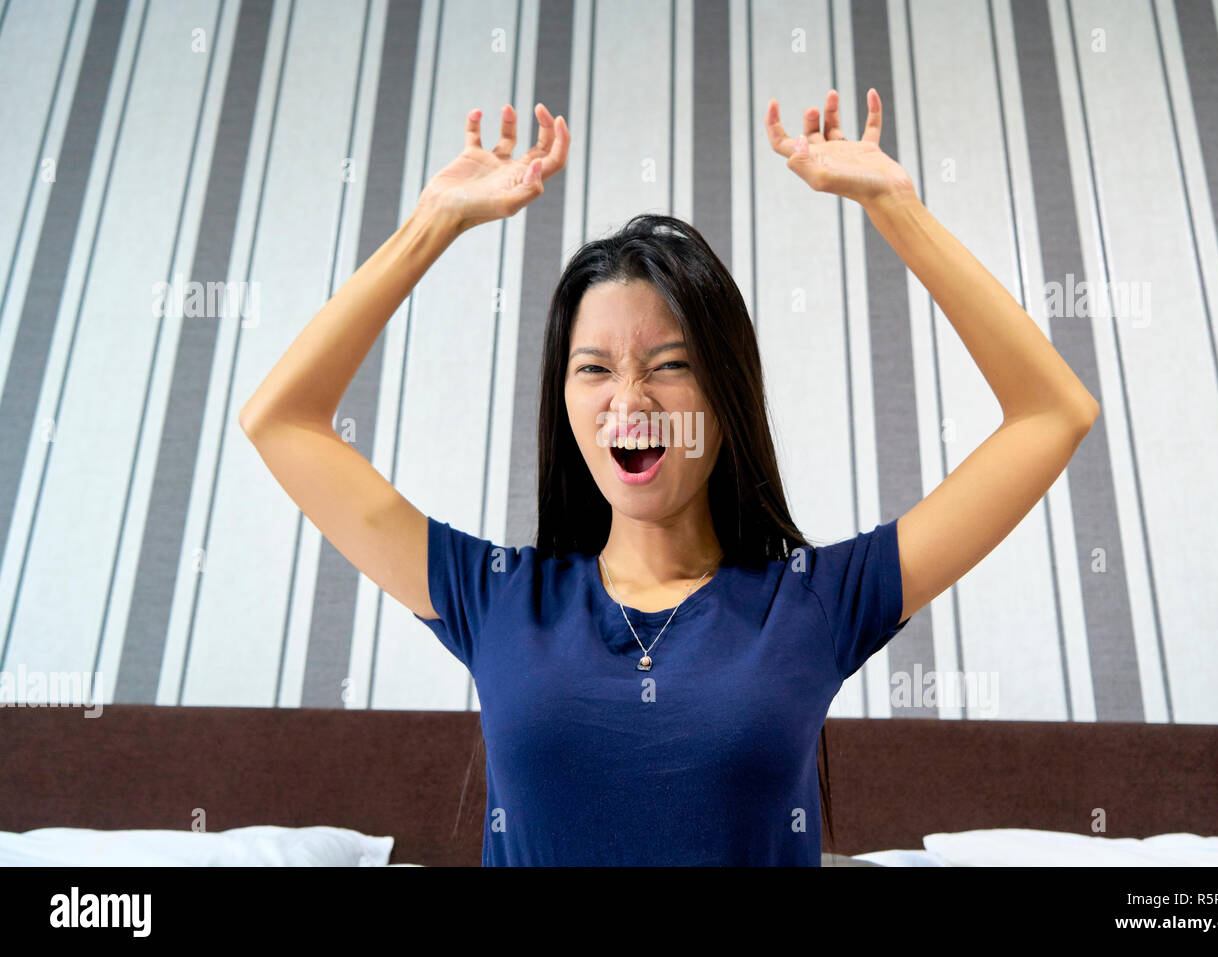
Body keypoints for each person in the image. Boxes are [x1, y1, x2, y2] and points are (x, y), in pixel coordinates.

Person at [239, 91, 1099, 866]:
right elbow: (281, 420)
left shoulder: (812, 602)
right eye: (593, 369)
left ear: (725, 398)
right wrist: (433, 220)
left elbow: (1050, 414)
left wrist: (895, 205)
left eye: (670, 363)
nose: (630, 400)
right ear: (563, 405)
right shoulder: (497, 597)